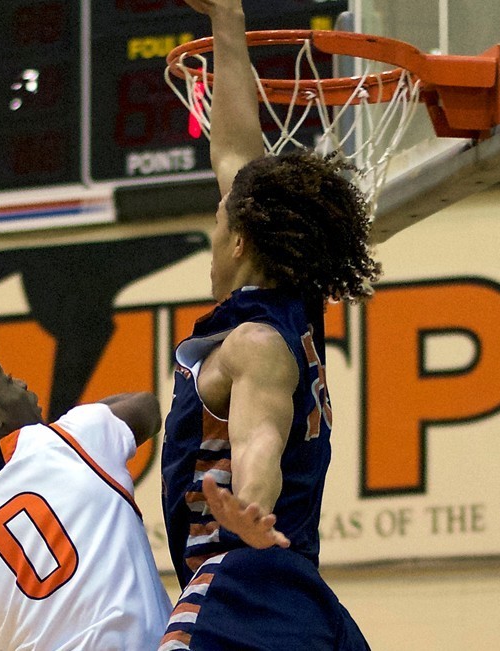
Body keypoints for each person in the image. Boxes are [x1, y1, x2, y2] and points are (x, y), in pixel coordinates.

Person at [159, 1, 380, 649]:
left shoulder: (255, 343)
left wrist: (252, 507)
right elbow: (233, 148)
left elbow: (260, 438)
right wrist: (227, 20)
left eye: (221, 217)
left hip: (243, 587)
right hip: (293, 597)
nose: (215, 221)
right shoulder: (294, 299)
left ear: (237, 241)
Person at [0, 347, 171, 651]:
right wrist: (52, 431)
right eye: (6, 379)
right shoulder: (71, 440)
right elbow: (147, 408)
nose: (22, 384)